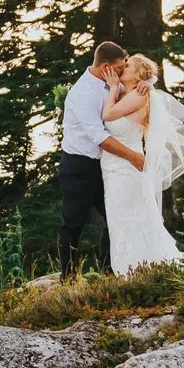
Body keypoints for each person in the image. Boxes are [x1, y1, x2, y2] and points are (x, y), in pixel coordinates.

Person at [99, 52, 184, 274]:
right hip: (112, 169)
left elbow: (108, 114)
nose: (123, 67)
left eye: (128, 65)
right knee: (120, 219)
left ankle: (141, 270)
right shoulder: (130, 93)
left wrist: (113, 87)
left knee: (133, 218)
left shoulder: (139, 96)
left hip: (128, 169)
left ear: (138, 74)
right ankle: (129, 270)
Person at [59, 42, 144, 270]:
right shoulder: (82, 93)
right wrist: (133, 157)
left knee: (115, 216)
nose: (122, 70)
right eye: (119, 67)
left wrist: (144, 84)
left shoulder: (112, 83)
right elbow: (99, 137)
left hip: (106, 166)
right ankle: (68, 277)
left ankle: (108, 270)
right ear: (106, 66)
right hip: (78, 165)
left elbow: (132, 96)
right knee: (73, 223)